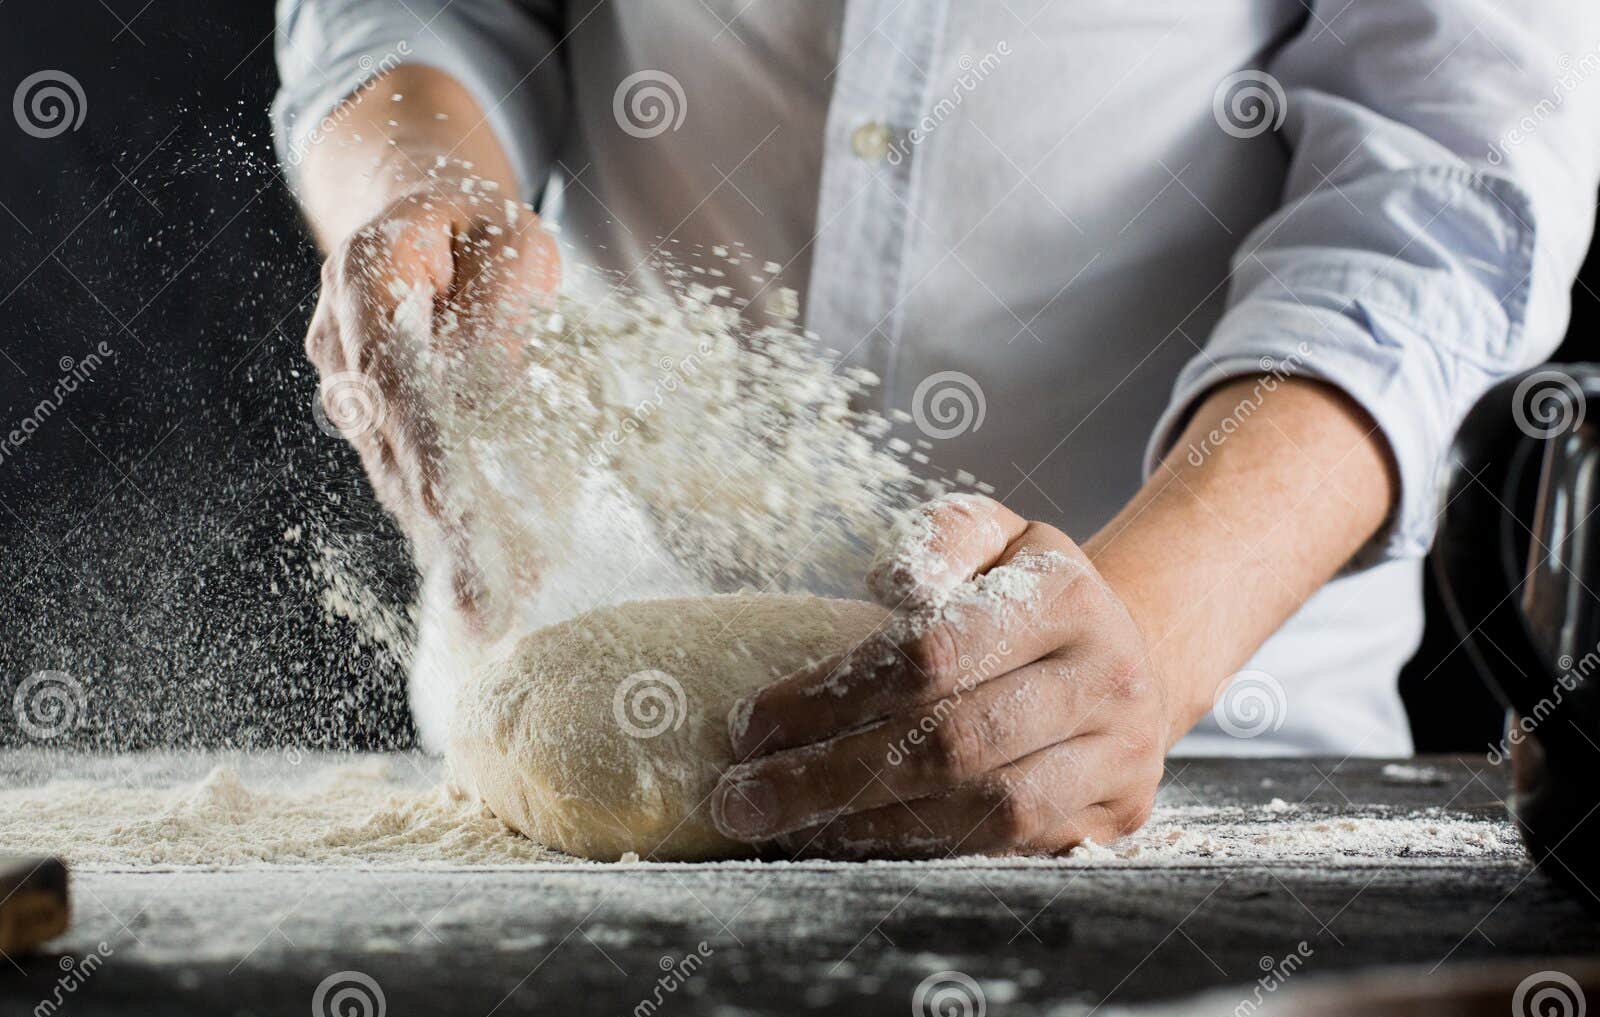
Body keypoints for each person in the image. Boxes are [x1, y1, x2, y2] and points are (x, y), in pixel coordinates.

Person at [275, 1, 1600, 856]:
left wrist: (1142, 639)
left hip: (1203, 782)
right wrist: (417, 192)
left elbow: (1442, 181)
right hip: (569, 738)